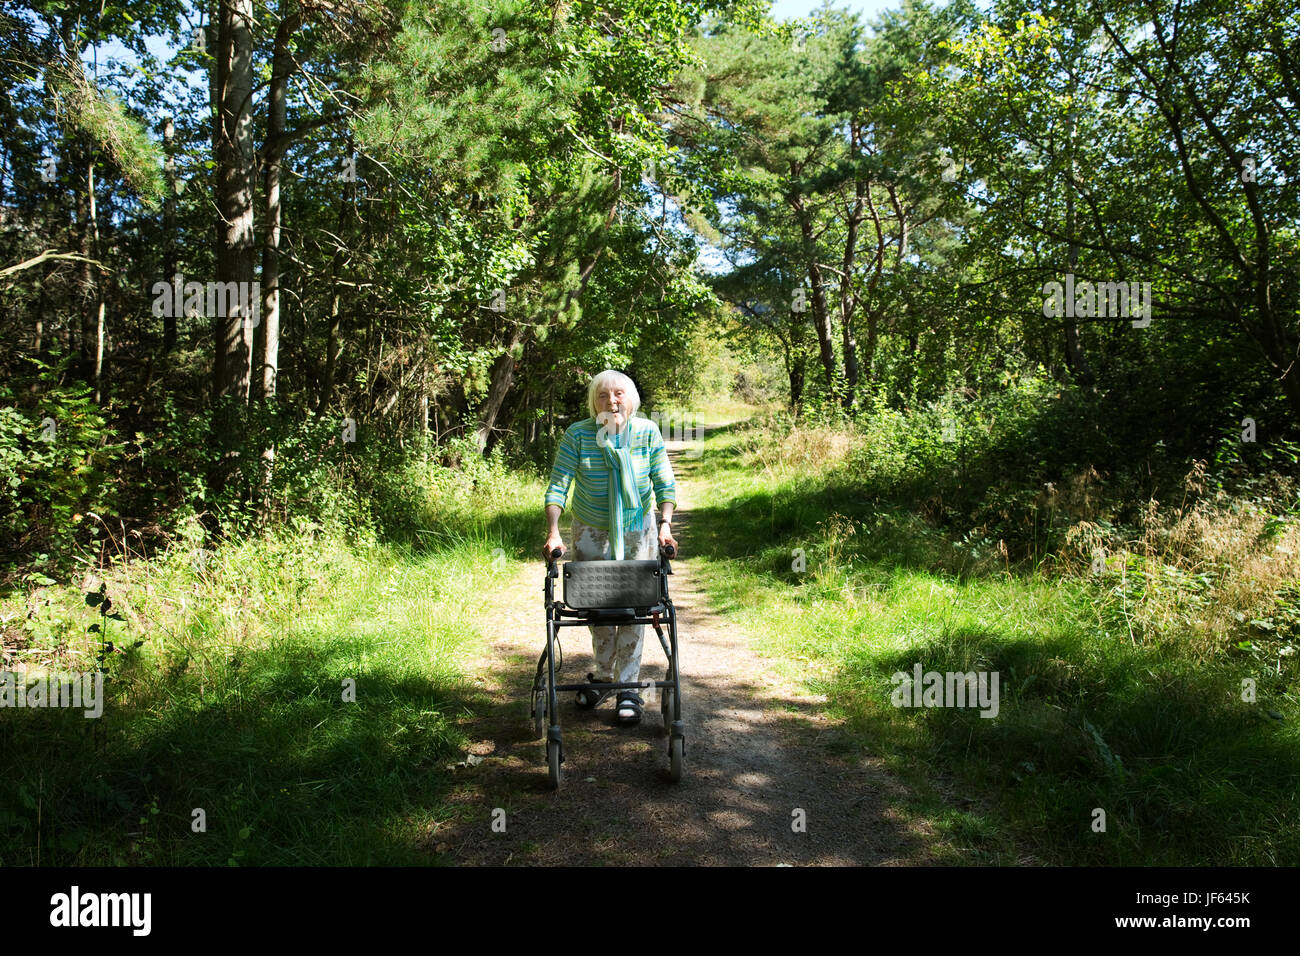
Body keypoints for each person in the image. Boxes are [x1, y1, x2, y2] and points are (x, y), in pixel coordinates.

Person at [542, 369, 678, 724]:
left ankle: (629, 686)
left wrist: (665, 526)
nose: (612, 401)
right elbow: (558, 486)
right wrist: (554, 531)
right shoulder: (578, 434)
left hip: (637, 532)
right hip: (590, 530)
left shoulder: (646, 432)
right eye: (603, 396)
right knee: (597, 607)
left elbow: (664, 482)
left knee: (635, 607)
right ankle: (603, 678)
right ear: (593, 403)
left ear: (630, 399)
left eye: (618, 394)